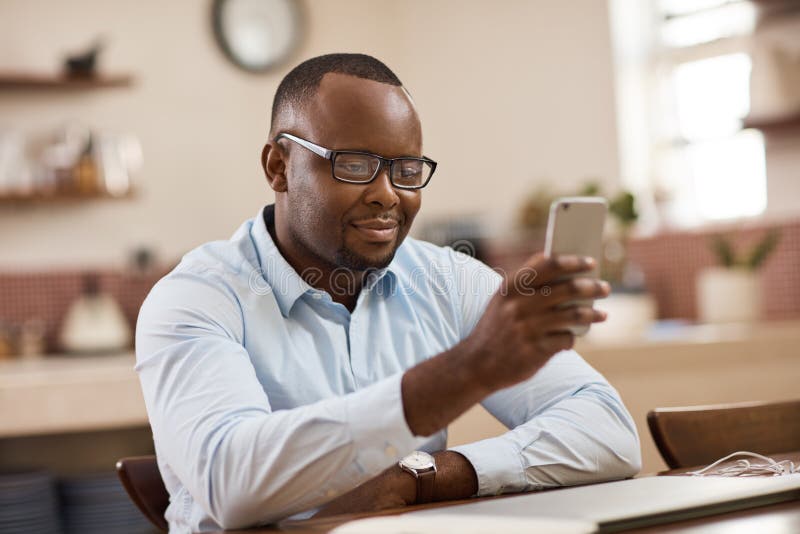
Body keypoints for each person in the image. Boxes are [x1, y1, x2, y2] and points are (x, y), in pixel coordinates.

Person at [135, 53, 641, 533]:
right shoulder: (196, 297)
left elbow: (608, 432)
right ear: (278, 166)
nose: (387, 194)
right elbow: (231, 481)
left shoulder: (448, 280)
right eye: (355, 165)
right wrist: (466, 371)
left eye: (407, 170)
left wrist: (421, 476)